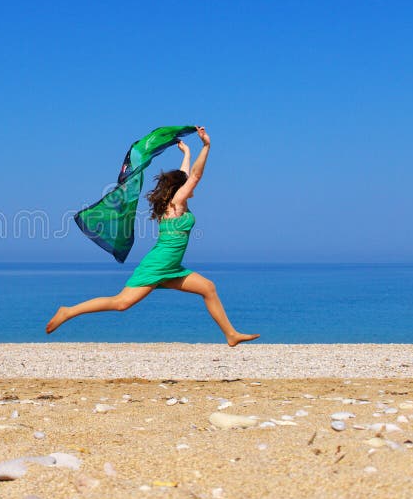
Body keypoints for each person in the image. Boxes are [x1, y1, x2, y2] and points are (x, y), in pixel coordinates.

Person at [46, 126, 259, 347]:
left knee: (208, 288)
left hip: (172, 268)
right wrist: (206, 146)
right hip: (158, 265)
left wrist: (186, 153)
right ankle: (68, 311)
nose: (190, 186)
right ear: (180, 188)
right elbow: (195, 176)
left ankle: (231, 335)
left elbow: (186, 175)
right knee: (121, 303)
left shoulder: (175, 202)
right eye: (184, 185)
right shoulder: (177, 203)